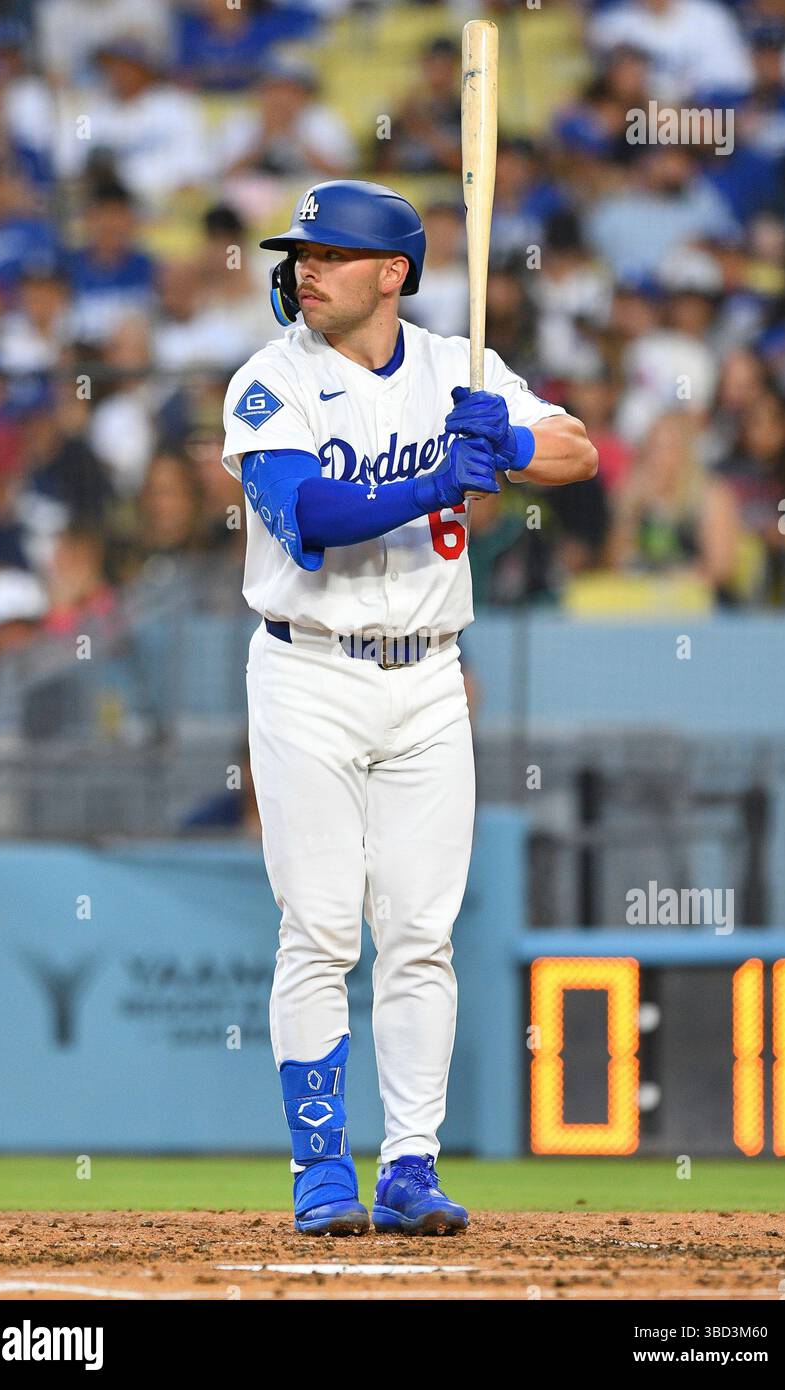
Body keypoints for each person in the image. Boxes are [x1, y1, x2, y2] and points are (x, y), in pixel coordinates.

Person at [221, 180, 597, 1236]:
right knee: (321, 927)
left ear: (391, 273)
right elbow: (311, 512)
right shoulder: (268, 377)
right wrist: (441, 473)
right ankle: (319, 1168)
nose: (303, 268)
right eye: (297, 253)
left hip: (431, 677)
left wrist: (509, 447)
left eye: (328, 253)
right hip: (308, 670)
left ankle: (412, 1163)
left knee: (420, 934)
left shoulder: (451, 365)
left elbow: (578, 448)